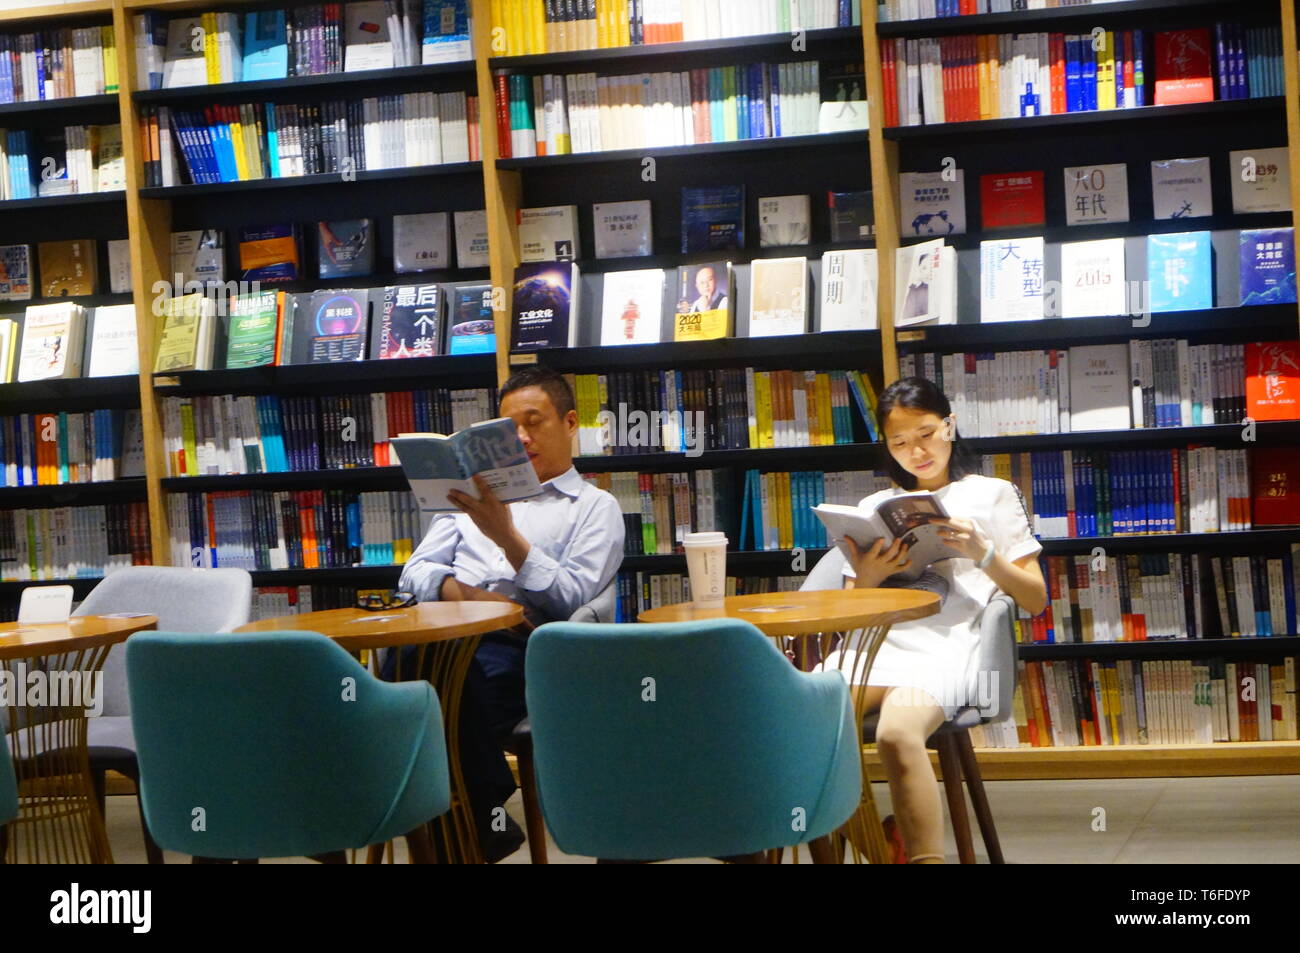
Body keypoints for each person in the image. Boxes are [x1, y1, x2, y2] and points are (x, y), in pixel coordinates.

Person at [397, 366, 625, 861]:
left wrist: (507, 536)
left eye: (534, 421)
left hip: (533, 650)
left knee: (427, 687)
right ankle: (479, 819)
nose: (521, 437)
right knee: (408, 667)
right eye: (508, 429)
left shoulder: (593, 507)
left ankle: (463, 825)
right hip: (450, 634)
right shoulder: (467, 499)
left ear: (569, 424)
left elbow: (569, 600)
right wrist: (472, 598)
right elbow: (412, 575)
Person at [833, 377, 1046, 864]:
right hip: (876, 643)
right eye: (900, 442)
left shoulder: (992, 494)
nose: (916, 451)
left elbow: (1034, 599)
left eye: (926, 434)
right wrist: (867, 576)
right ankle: (881, 852)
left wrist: (983, 553)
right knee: (806, 724)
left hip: (951, 643)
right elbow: (846, 616)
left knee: (895, 732)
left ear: (949, 425)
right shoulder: (874, 508)